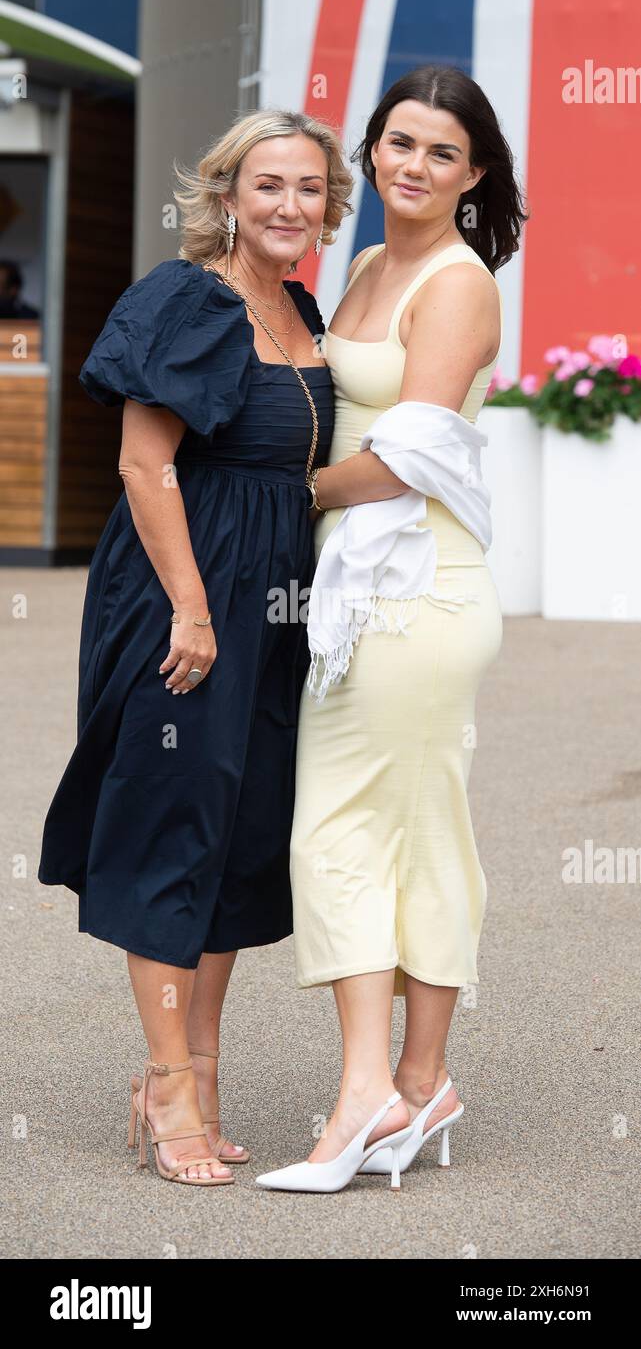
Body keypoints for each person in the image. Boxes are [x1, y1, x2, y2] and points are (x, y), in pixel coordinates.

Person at [38, 108, 352, 1187]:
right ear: (225, 194)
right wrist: (191, 605)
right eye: (267, 184)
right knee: (175, 818)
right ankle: (167, 1082)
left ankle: (197, 1077)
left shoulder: (300, 307)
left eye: (308, 188)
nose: (287, 205)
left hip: (275, 600)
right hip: (189, 591)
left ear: (328, 206)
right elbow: (141, 462)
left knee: (237, 831)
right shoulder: (187, 298)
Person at [256, 66, 527, 1193]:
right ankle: (416, 1085)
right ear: (369, 151)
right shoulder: (368, 264)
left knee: (341, 830)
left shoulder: (456, 284)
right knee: (395, 828)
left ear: (471, 177)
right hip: (358, 587)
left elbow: (408, 454)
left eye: (440, 154)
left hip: (418, 590)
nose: (412, 166)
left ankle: (376, 1093)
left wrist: (280, 492)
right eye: (397, 143)